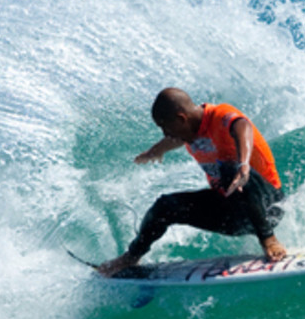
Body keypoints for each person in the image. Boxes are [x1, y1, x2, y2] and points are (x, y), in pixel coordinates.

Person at [96, 88, 288, 277]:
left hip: (267, 206)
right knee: (164, 206)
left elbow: (241, 125)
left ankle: (268, 239)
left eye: (166, 128)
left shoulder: (220, 115)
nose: (165, 133)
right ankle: (131, 256)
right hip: (234, 214)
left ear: (181, 119)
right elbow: (176, 140)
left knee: (229, 169)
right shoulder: (190, 131)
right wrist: (156, 150)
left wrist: (243, 164)